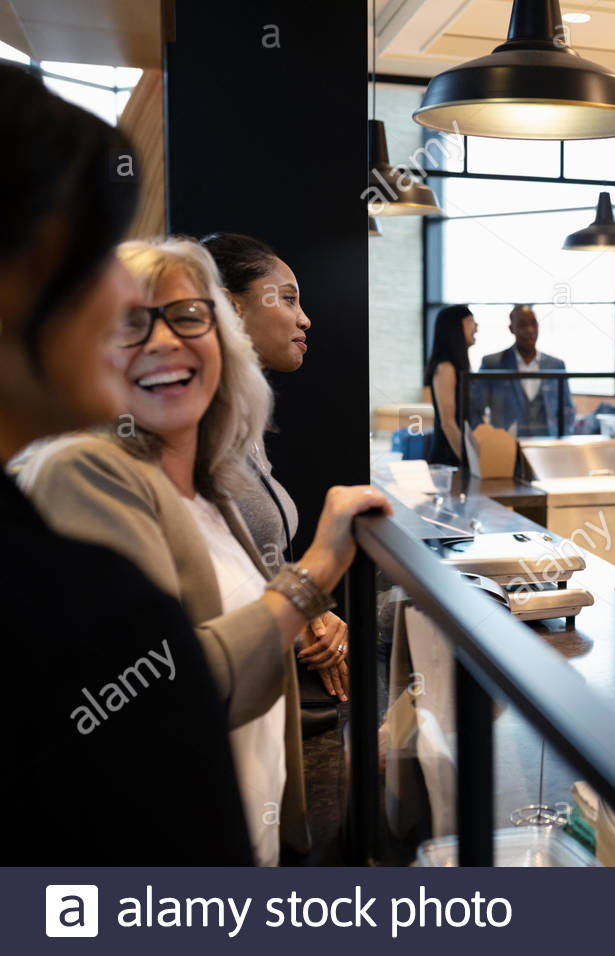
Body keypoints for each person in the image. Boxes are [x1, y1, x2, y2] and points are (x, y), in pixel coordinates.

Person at [19, 237, 392, 864]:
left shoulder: (211, 483)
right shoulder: (82, 470)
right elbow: (162, 692)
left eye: (189, 317)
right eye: (131, 323)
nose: (164, 341)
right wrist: (315, 575)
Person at [0, 62, 251, 863]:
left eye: (186, 316)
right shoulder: (80, 610)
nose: (126, 307)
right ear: (25, 271)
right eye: (104, 250)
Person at [201, 231, 349, 704]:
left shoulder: (242, 420)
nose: (305, 318)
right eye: (288, 299)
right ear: (232, 306)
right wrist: (306, 599)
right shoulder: (197, 425)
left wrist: (315, 611)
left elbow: (262, 560)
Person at [472, 304, 576, 437]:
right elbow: (475, 409)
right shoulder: (493, 364)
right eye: (522, 325)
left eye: (533, 324)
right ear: (511, 328)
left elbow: (567, 410)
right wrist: (487, 440)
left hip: (548, 446)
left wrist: (561, 438)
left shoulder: (556, 365)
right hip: (506, 448)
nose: (530, 330)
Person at [423, 304, 478, 466]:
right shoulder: (445, 368)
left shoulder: (459, 367)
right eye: (470, 320)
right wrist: (472, 463)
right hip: (448, 460)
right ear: (455, 328)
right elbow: (448, 424)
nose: (476, 326)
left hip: (456, 457)